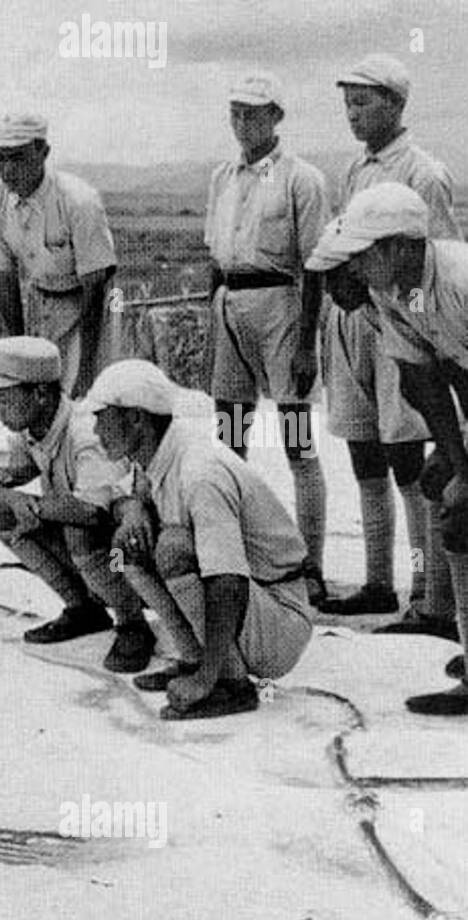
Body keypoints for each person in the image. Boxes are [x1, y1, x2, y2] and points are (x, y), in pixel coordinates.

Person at [307, 182, 468, 715]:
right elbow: (424, 379)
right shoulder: (394, 293)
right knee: (445, 494)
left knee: (462, 512)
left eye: (362, 254)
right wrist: (454, 459)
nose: (352, 270)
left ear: (400, 246)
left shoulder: (459, 280)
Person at [317, 54, 461, 631]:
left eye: (364, 101)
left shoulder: (423, 171)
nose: (353, 113)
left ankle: (426, 589)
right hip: (354, 317)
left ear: (397, 104)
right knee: (361, 449)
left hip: (402, 319)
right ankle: (377, 581)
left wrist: (415, 331)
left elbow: (436, 264)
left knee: (409, 455)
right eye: (347, 102)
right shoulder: (354, 171)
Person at [87, 360, 314, 720]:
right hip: (255, 605)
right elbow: (135, 492)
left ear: (136, 419)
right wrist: (134, 512)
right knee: (126, 546)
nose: (95, 429)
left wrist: (207, 681)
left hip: (279, 620)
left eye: (102, 416)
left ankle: (228, 682)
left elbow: (228, 580)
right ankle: (193, 658)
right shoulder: (161, 449)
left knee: (174, 548)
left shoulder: (200, 471)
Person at [204, 71, 329, 606]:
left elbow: (315, 262)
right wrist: (216, 324)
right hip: (231, 306)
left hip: (281, 307)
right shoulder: (222, 178)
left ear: (277, 116)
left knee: (298, 440)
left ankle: (313, 566)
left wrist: (306, 341)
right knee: (231, 438)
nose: (242, 122)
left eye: (253, 112)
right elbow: (217, 256)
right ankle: (232, 559)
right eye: (235, 111)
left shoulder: (303, 179)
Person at [0, 336, 154, 672]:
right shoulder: (34, 431)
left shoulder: (85, 431)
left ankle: (132, 623)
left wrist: (34, 507)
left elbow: (93, 511)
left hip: (131, 557)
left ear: (40, 394)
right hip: (103, 558)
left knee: (78, 529)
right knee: (4, 514)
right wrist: (13, 499)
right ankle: (83, 608)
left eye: (4, 397)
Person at [0, 109, 116, 398]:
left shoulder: (78, 201)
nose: (7, 170)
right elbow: (4, 279)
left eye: (17, 158)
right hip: (40, 302)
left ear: (43, 152)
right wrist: (17, 353)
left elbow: (96, 286)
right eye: (0, 158)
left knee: (85, 400)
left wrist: (86, 367)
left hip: (87, 305)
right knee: (39, 398)